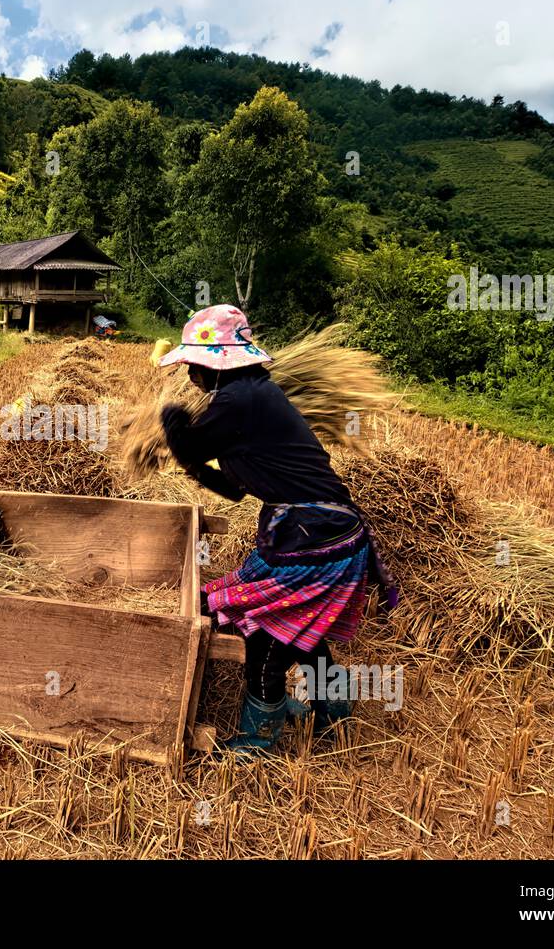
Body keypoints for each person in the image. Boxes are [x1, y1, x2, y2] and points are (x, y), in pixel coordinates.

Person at [156, 305, 396, 753]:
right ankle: (334, 713)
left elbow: (194, 445)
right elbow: (232, 489)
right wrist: (188, 454)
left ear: (214, 363)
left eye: (193, 364)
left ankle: (256, 742)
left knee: (267, 640)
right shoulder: (253, 395)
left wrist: (173, 428)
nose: (190, 374)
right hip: (316, 533)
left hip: (315, 538)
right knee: (303, 632)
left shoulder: (239, 399)